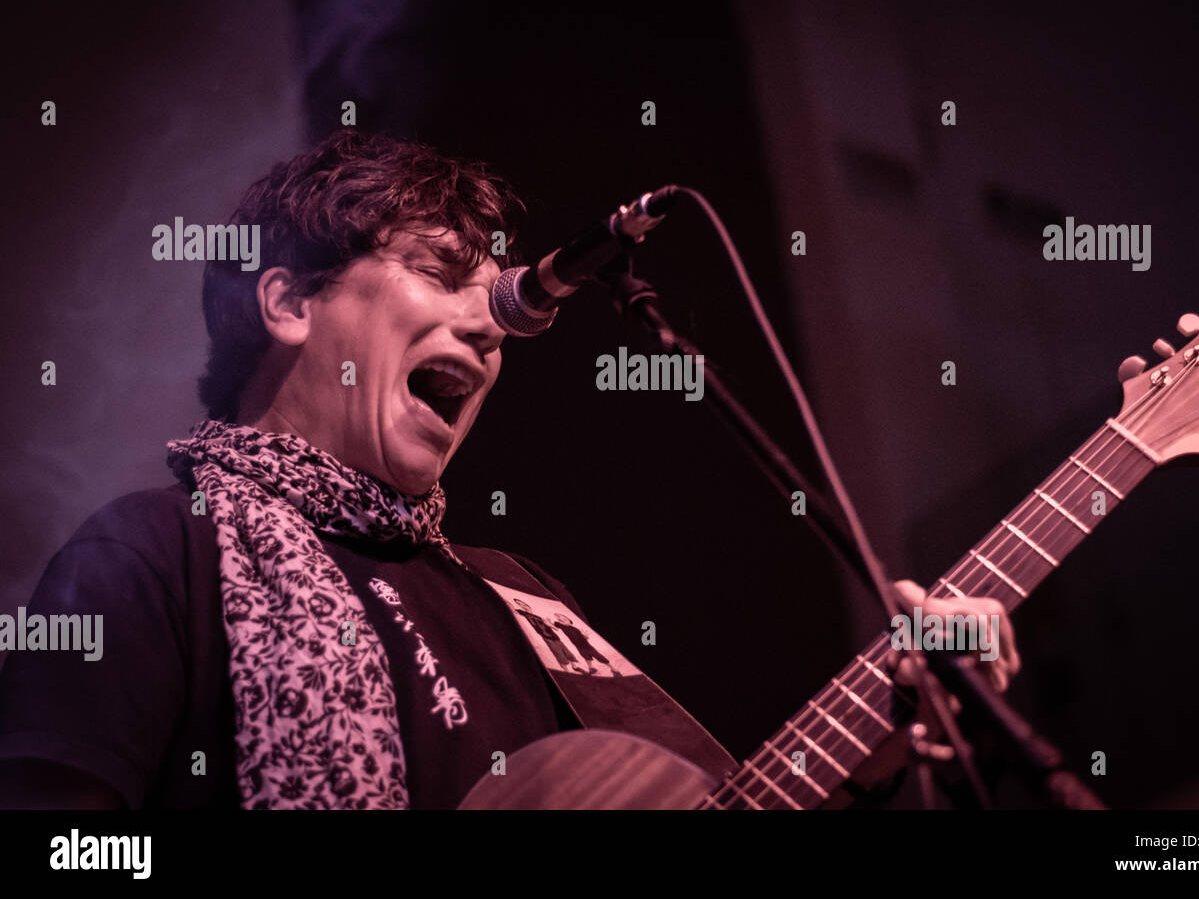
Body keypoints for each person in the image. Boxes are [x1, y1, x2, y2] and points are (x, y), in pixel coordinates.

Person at [0, 129, 1019, 809]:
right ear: (290, 303)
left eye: (502, 301)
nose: (492, 330)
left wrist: (889, 729)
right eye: (446, 275)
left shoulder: (524, 598)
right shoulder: (148, 554)